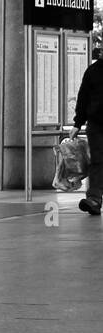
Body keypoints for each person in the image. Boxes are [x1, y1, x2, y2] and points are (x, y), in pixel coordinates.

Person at [70, 51, 103, 215]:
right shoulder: (93, 71)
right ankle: (94, 199)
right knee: (97, 161)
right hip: (97, 125)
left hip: (96, 123)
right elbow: (83, 97)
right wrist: (78, 123)